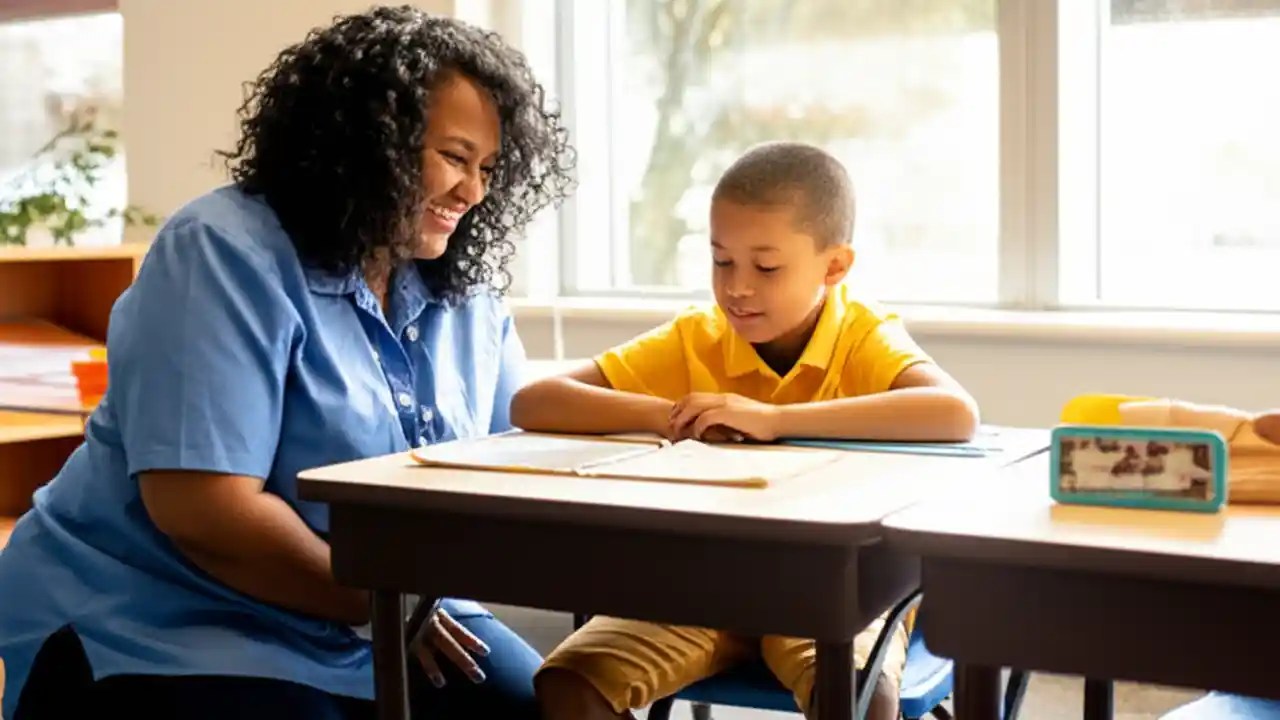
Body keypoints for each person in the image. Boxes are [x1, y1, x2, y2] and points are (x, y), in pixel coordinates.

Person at [0, 6, 573, 719]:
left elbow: (512, 444)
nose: (475, 192)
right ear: (371, 142)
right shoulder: (222, 250)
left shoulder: (457, 286)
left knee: (554, 706)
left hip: (384, 611)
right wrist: (377, 606)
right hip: (171, 616)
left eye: (488, 168)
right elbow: (204, 510)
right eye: (455, 158)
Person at [512, 141, 979, 720]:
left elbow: (953, 412)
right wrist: (671, 415)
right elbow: (535, 402)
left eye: (767, 266)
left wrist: (774, 420)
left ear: (834, 267)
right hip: (698, 585)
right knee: (568, 683)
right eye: (721, 260)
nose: (737, 286)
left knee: (858, 698)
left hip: (828, 592)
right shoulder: (698, 335)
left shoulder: (861, 333)